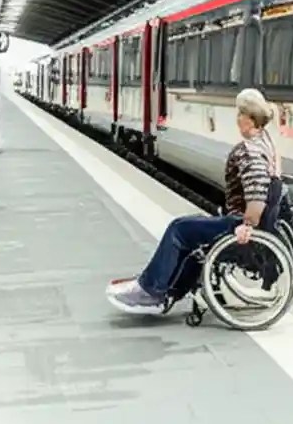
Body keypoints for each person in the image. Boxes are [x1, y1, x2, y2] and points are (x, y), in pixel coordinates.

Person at [108, 88, 282, 314]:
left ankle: (152, 290)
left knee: (179, 229)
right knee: (192, 230)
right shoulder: (267, 142)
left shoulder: (250, 151)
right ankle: (167, 290)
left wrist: (247, 226)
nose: (237, 118)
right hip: (242, 222)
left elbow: (257, 194)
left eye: (240, 114)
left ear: (248, 119)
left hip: (240, 226)